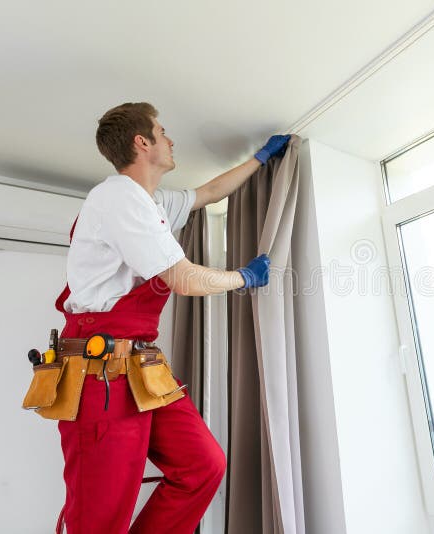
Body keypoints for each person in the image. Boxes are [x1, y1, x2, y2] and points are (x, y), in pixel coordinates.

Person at [53, 102, 289, 533]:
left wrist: (259, 160)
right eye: (163, 131)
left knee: (203, 465)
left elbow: (210, 193)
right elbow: (182, 278)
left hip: (141, 365)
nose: (171, 138)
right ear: (142, 142)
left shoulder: (152, 202)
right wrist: (243, 277)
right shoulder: (116, 196)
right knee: (101, 517)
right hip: (99, 371)